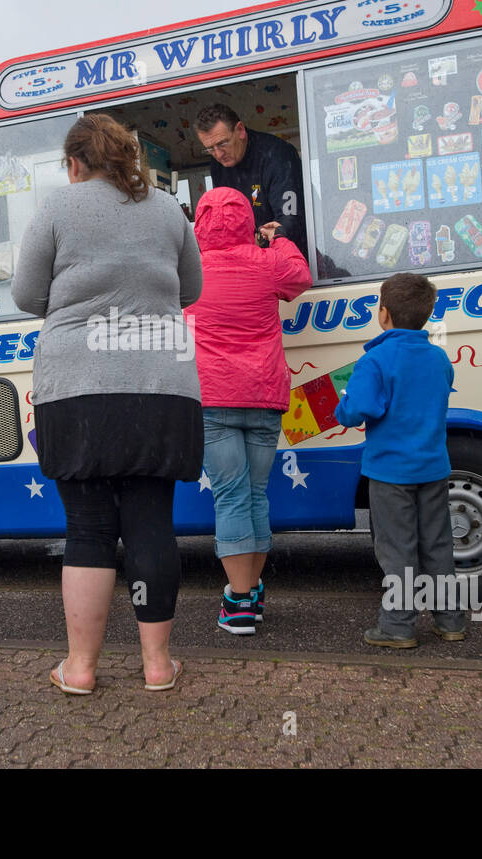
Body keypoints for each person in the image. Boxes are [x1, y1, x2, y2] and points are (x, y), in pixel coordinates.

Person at [12, 113, 203, 694]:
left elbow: (26, 295)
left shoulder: (55, 209)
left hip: (77, 386)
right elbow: (190, 289)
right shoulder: (169, 208)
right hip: (159, 384)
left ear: (74, 164)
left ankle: (81, 668)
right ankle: (156, 665)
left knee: (89, 528)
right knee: (151, 523)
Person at [185, 187, 311, 634]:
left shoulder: (190, 269)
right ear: (245, 221)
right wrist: (275, 238)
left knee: (231, 496)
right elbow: (301, 276)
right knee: (255, 495)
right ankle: (251, 591)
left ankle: (238, 601)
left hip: (214, 397)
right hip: (264, 395)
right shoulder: (268, 261)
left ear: (199, 224)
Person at [334, 272, 464, 647]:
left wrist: (343, 405)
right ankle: (451, 620)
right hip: (434, 468)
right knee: (438, 545)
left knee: (397, 550)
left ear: (384, 313)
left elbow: (358, 409)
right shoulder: (439, 358)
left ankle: (398, 625)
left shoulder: (375, 360)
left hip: (390, 472)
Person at [195, 103, 308, 257]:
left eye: (222, 143)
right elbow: (224, 221)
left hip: (290, 256)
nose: (218, 154)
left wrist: (261, 243)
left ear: (240, 130)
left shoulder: (277, 155)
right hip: (247, 257)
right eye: (210, 149)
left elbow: (290, 220)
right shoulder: (217, 165)